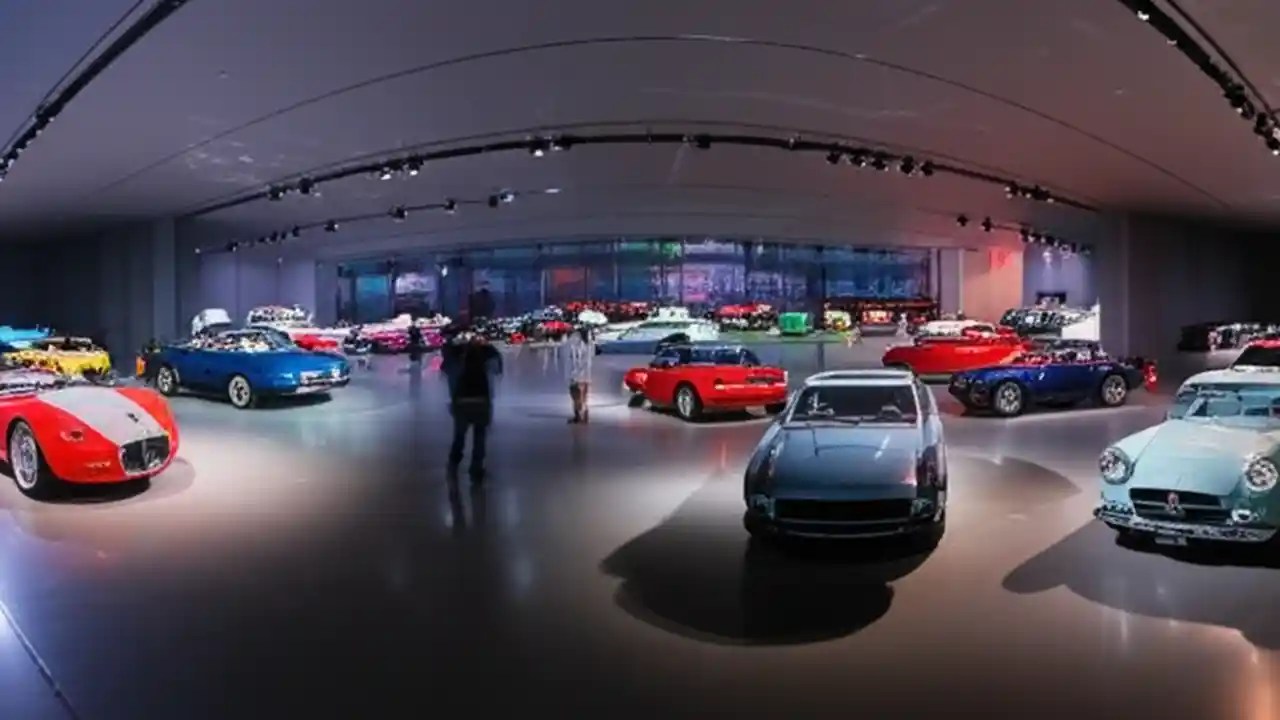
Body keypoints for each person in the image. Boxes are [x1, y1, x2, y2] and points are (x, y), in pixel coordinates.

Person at [441, 329, 503, 480]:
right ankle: (476, 469)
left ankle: (454, 461)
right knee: (479, 437)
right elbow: (497, 368)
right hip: (481, 400)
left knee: (459, 435)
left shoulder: (457, 361)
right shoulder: (486, 357)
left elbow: (446, 370)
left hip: (462, 400)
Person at [565, 326, 594, 423]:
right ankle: (585, 415)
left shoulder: (575, 343)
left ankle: (578, 416)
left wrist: (573, 375)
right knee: (584, 396)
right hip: (586, 374)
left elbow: (574, 360)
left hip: (576, 374)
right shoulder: (589, 343)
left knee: (575, 396)